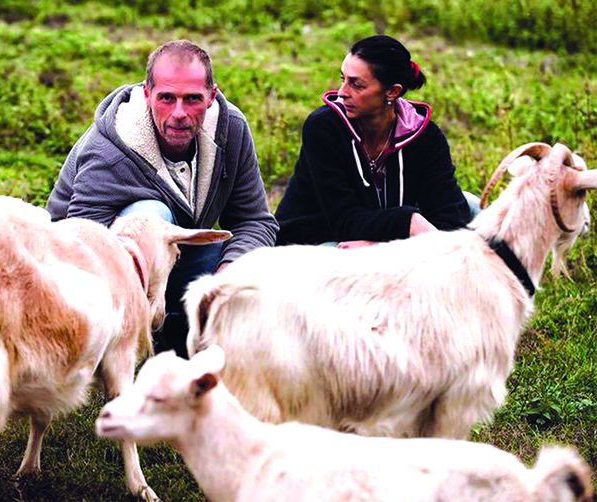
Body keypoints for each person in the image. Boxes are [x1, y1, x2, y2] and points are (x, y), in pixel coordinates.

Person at [47, 40, 278, 357]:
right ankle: (130, 337)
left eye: (193, 99)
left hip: (179, 256)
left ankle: (179, 327)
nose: (179, 113)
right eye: (167, 98)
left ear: (211, 96)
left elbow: (253, 220)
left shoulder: (231, 129)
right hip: (91, 277)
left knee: (246, 260)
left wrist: (226, 277)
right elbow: (78, 247)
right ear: (147, 94)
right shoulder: (110, 150)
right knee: (149, 214)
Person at [275, 35, 472, 248]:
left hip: (380, 240)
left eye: (356, 85)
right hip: (316, 242)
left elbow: (451, 216)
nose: (342, 93)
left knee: (473, 207)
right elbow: (343, 219)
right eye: (343, 79)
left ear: (392, 91)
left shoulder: (425, 136)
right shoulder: (324, 127)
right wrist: (409, 221)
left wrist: (379, 247)